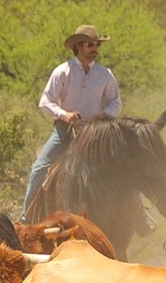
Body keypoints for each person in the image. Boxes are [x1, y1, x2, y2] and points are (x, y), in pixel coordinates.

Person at [20, 24, 122, 223]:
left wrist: (102, 118)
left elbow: (115, 102)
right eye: (90, 45)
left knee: (122, 164)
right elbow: (45, 101)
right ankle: (26, 217)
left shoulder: (105, 74)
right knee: (40, 167)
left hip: (94, 135)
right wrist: (63, 114)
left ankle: (140, 216)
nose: (95, 49)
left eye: (97, 45)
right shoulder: (62, 72)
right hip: (64, 132)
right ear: (78, 46)